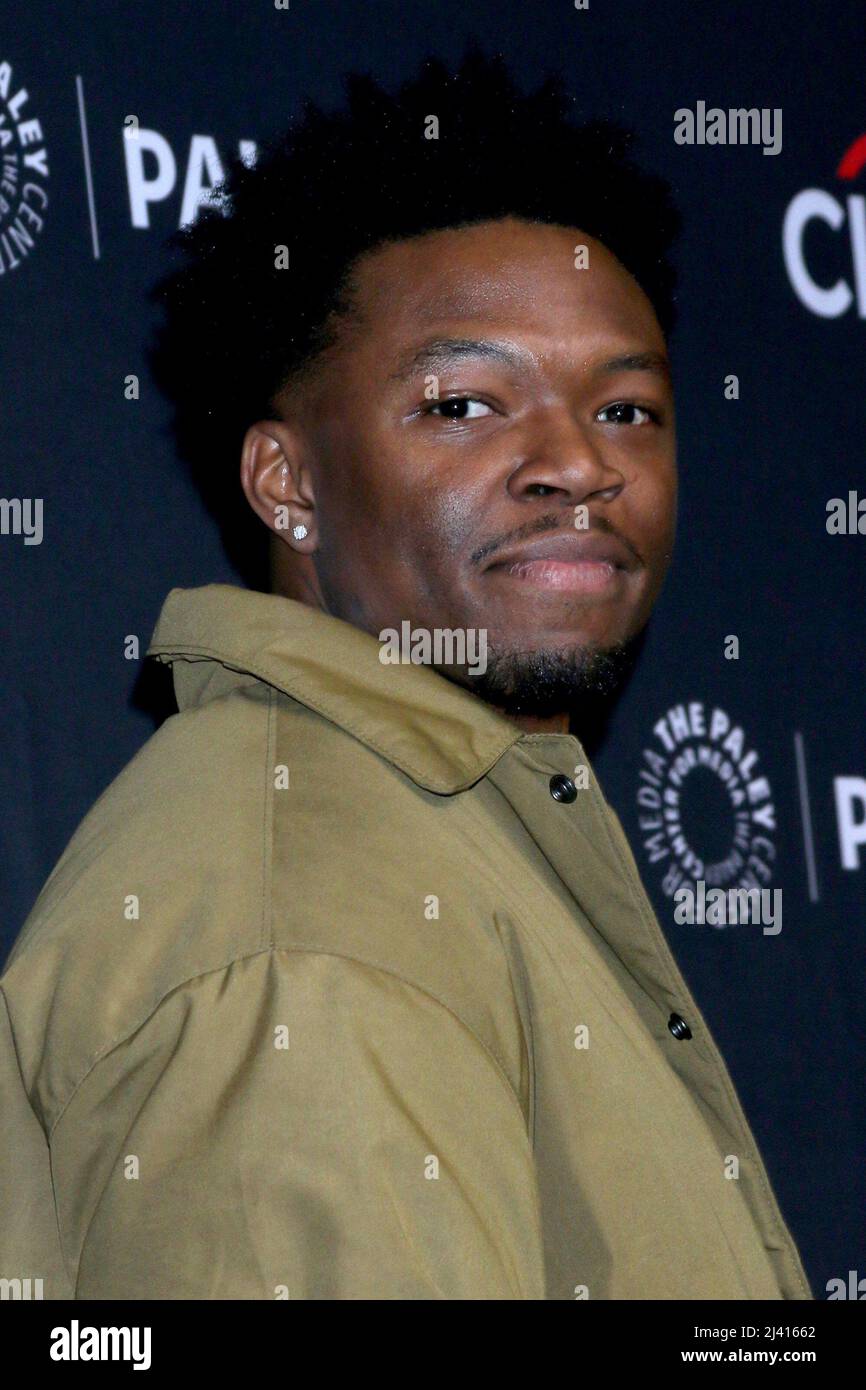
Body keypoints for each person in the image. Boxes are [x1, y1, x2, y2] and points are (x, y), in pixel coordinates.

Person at [0, 50, 812, 1300]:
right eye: (463, 404)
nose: (575, 464)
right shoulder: (306, 924)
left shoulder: (433, 845)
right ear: (288, 484)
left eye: (626, 411)